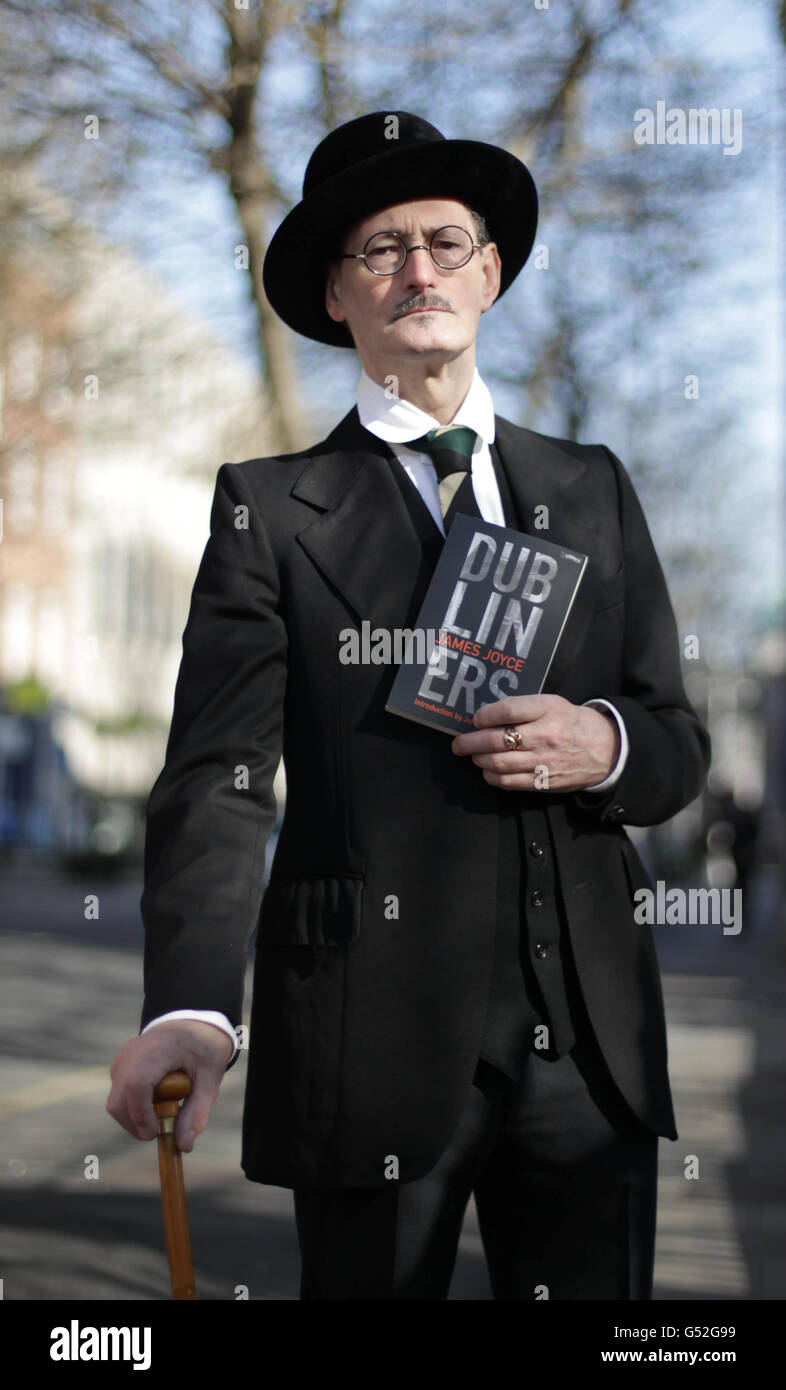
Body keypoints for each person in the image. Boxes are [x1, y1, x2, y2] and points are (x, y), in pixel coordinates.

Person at [107, 111, 711, 1301]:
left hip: (588, 1048)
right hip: (364, 1040)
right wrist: (189, 1006)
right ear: (337, 296)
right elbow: (220, 779)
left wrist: (608, 744)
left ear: (490, 273)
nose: (419, 269)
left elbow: (676, 743)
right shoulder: (270, 511)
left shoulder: (591, 487)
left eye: (445, 241)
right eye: (381, 250)